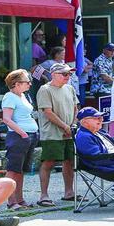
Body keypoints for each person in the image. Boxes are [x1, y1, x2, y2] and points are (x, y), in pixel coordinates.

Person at [36, 62, 79, 206]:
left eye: (70, 74)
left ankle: (69, 192)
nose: (68, 76)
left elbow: (75, 107)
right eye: (65, 74)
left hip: (68, 131)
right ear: (54, 74)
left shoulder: (70, 88)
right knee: (49, 161)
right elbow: (47, 112)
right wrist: (65, 126)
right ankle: (43, 195)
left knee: (69, 161)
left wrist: (72, 125)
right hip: (52, 133)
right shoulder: (45, 89)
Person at [1, 69, 40, 210]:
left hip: (30, 134)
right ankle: (11, 201)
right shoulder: (9, 96)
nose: (30, 84)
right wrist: (22, 133)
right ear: (16, 84)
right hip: (18, 136)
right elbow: (6, 118)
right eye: (26, 81)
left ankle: (20, 199)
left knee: (21, 169)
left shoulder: (23, 96)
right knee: (13, 169)